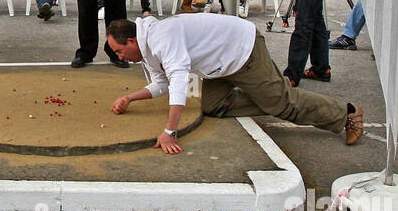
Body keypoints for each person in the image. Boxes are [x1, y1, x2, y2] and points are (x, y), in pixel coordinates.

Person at [105, 15, 364, 154]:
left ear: (131, 40)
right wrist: (131, 98)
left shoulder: (161, 38)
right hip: (219, 65)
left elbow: (178, 82)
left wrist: (169, 131)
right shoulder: (147, 49)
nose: (119, 57)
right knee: (213, 105)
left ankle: (346, 113)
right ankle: (271, 92)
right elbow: (161, 83)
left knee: (283, 105)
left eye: (118, 51)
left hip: (243, 51)